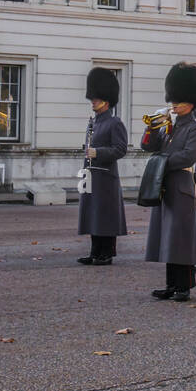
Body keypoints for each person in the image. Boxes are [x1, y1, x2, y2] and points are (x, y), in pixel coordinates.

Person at [144, 64, 196, 302]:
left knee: (181, 237)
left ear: (191, 103)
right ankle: (171, 284)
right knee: (168, 237)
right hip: (164, 185)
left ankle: (184, 286)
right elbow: (147, 146)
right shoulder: (167, 126)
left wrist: (161, 160)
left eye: (179, 100)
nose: (174, 104)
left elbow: (189, 156)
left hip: (181, 183)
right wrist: (151, 128)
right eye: (173, 100)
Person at [77, 68, 127, 266]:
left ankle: (106, 253)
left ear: (106, 101)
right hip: (90, 175)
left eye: (96, 99)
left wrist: (98, 153)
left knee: (105, 216)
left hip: (106, 176)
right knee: (92, 214)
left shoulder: (114, 123)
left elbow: (121, 149)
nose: (93, 101)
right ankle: (95, 251)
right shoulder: (93, 124)